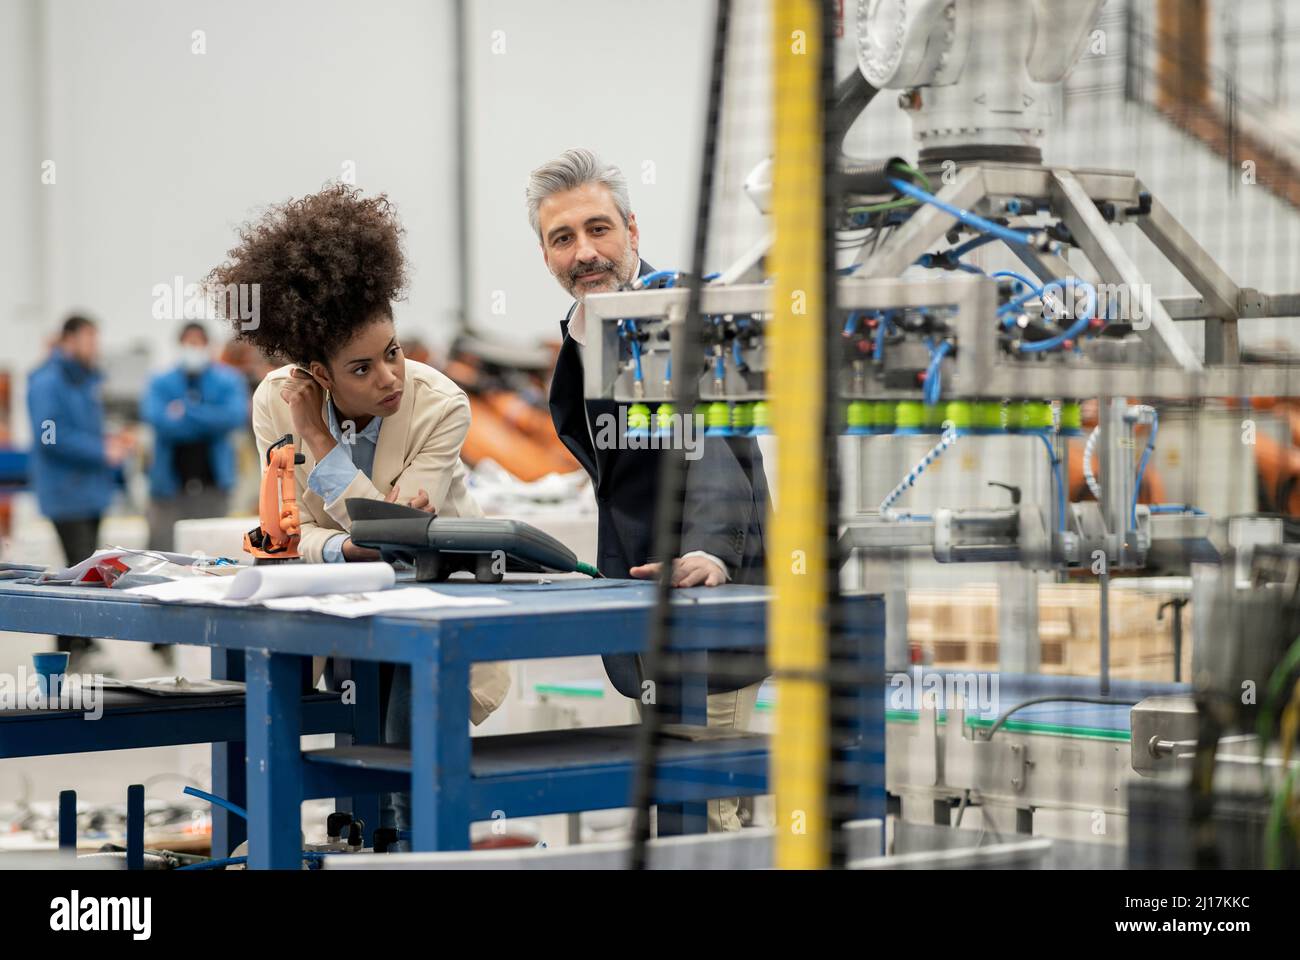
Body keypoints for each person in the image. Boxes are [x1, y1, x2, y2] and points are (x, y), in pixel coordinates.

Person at [209, 183, 509, 839]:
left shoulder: (442, 406)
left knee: (410, 739)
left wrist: (320, 444)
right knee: (270, 718)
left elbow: (397, 539)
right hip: (338, 604)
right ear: (316, 373)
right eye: (363, 368)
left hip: (434, 601)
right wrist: (344, 547)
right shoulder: (273, 403)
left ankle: (411, 841)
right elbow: (292, 530)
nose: (390, 378)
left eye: (394, 352)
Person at [527, 148, 770, 831]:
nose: (584, 253)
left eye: (599, 229)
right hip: (640, 603)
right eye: (562, 238)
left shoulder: (684, 311)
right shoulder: (582, 334)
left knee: (707, 816)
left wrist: (711, 553)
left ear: (632, 231)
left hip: (704, 608)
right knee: (674, 810)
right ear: (545, 254)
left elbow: (717, 445)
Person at [26, 315, 135, 665]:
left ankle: (76, 640)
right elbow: (49, 438)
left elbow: (81, 429)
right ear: (68, 341)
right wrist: (99, 450)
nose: (95, 347)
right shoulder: (47, 382)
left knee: (86, 568)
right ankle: (73, 645)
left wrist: (109, 442)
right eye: (89, 339)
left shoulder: (86, 381)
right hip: (65, 493)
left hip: (91, 490)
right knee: (79, 569)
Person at [140, 322, 249, 552]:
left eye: (197, 343)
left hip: (214, 485)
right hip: (169, 488)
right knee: (163, 551)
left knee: (212, 553)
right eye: (188, 343)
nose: (193, 348)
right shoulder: (160, 381)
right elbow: (159, 421)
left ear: (208, 345)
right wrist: (210, 418)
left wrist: (186, 411)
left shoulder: (228, 379)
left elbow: (234, 417)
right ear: (179, 346)